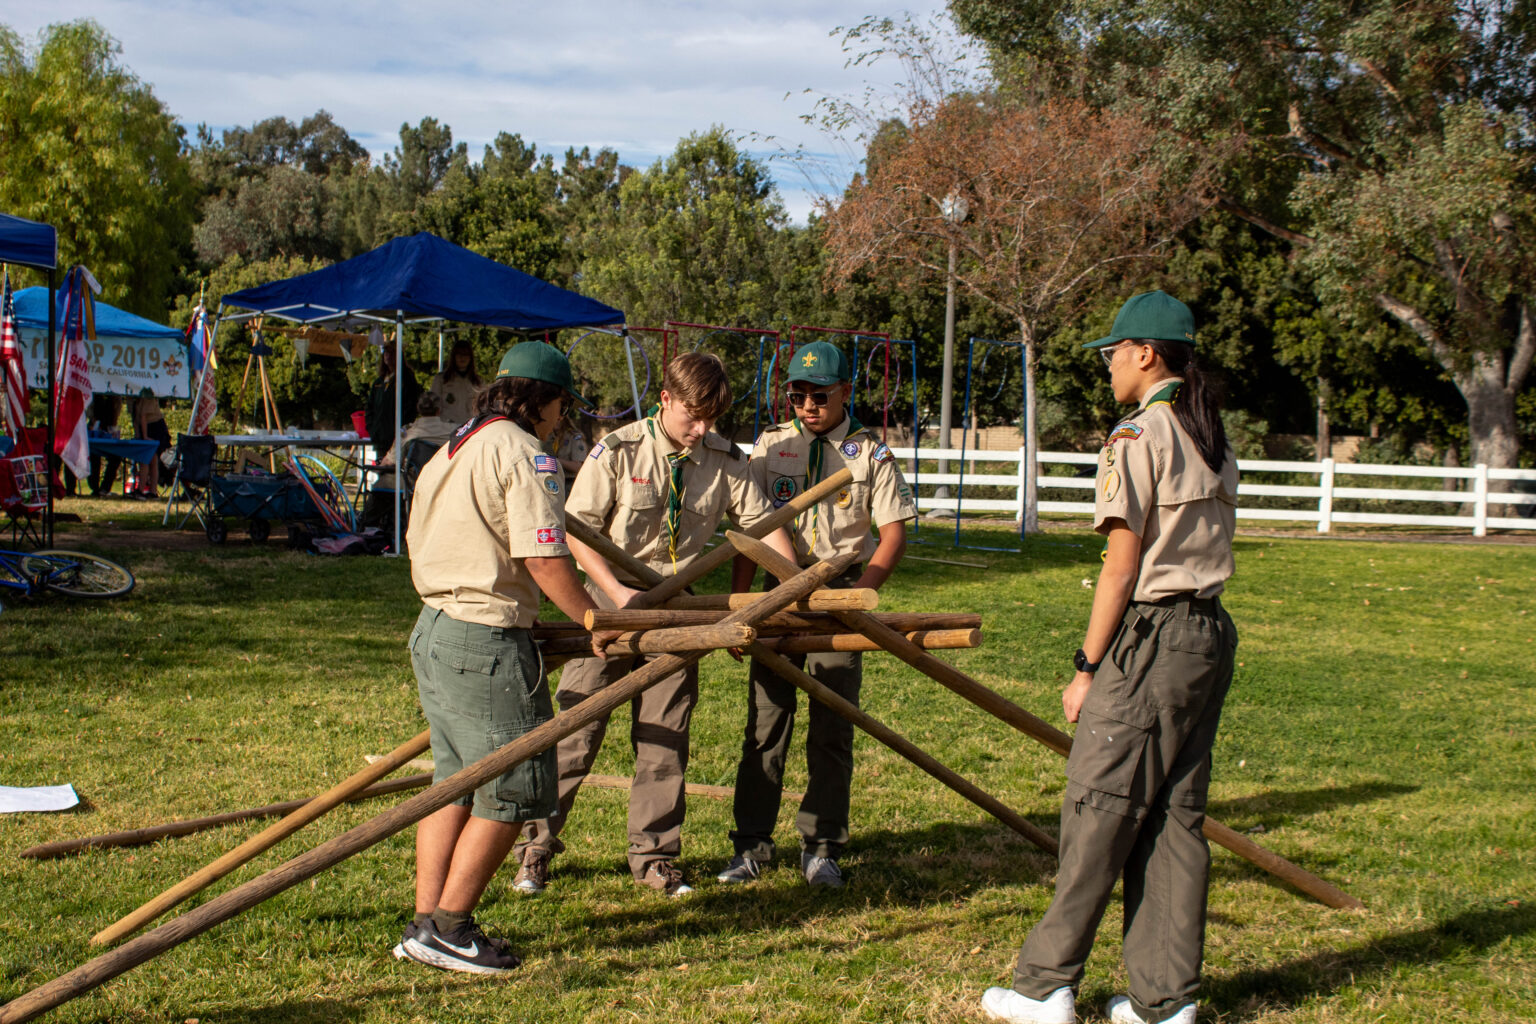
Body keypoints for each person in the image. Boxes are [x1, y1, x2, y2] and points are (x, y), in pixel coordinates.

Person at [980, 291, 1239, 1024]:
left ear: (1145, 354)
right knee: (1175, 817)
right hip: (1208, 634)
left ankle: (1044, 987)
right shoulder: (1209, 432)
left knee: (1099, 807)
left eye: (1114, 353)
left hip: (1153, 637)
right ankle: (1164, 1002)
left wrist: (1087, 667)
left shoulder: (1140, 434)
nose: (1110, 365)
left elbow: (1122, 569)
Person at [511, 352, 798, 897]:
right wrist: (616, 597)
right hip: (610, 603)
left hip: (677, 611)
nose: (702, 429)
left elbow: (764, 529)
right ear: (665, 399)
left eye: (712, 418)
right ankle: (536, 849)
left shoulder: (724, 460)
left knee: (666, 738)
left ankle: (655, 858)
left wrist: (795, 587)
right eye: (693, 415)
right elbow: (576, 531)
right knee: (576, 730)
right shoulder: (619, 450)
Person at [398, 341, 612, 975]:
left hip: (436, 627)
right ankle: (450, 927)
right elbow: (543, 555)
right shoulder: (524, 452)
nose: (561, 420)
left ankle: (426, 921)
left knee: (454, 782)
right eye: (562, 407)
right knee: (518, 782)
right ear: (545, 400)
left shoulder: (456, 444)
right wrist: (593, 619)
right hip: (484, 641)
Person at [717, 341, 917, 888]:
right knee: (766, 724)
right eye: (798, 394)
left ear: (846, 392)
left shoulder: (870, 454)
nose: (808, 405)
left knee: (833, 726)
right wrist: (742, 607)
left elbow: (893, 535)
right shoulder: (771, 445)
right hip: (776, 592)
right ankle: (751, 846)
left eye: (820, 395)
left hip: (839, 594)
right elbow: (749, 532)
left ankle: (822, 847)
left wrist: (859, 598)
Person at [364, 340, 423, 452]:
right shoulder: (379, 382)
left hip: (398, 437)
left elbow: (411, 407)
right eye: (386, 352)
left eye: (392, 352)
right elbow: (369, 407)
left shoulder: (407, 379)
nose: (388, 356)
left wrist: (400, 429)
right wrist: (372, 428)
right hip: (379, 437)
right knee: (382, 462)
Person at [429, 339, 482, 429]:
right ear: (453, 357)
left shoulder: (478, 381)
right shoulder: (441, 379)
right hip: (446, 427)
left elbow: (482, 407)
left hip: (469, 428)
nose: (462, 358)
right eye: (459, 354)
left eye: (466, 354)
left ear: (471, 358)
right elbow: (433, 406)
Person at [131, 389, 170, 499]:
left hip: (154, 428)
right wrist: (138, 436)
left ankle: (141, 490)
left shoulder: (148, 394)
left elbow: (143, 417)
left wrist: (145, 437)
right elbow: (137, 419)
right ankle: (152, 491)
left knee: (147, 460)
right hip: (146, 429)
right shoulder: (135, 398)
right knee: (152, 461)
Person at [88, 393, 124, 497]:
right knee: (94, 457)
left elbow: (116, 412)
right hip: (95, 432)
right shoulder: (94, 396)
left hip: (109, 430)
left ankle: (104, 488)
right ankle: (96, 487)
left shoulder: (115, 397)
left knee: (115, 457)